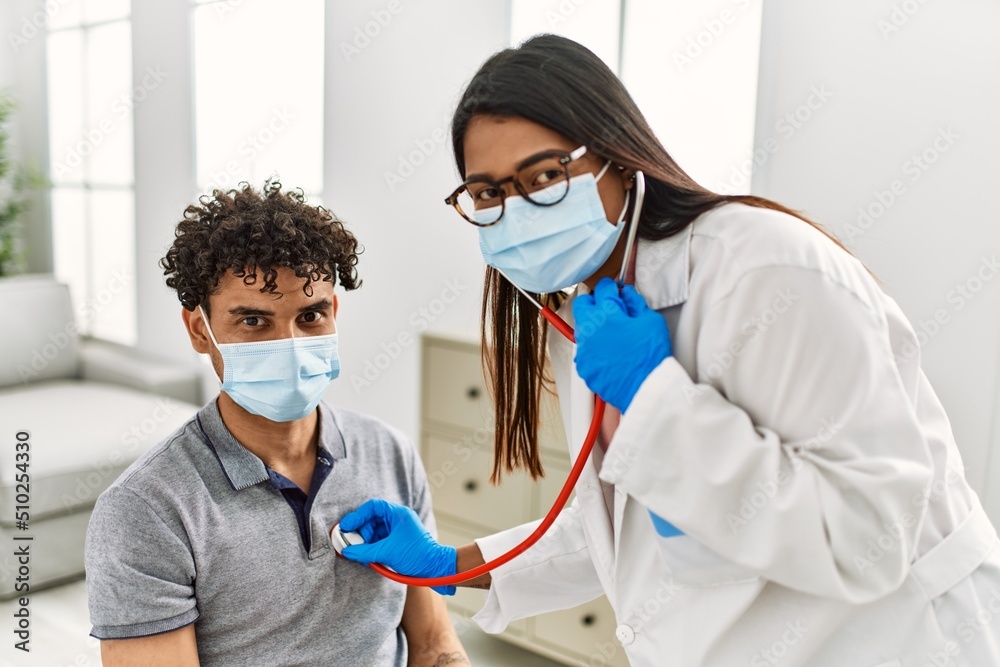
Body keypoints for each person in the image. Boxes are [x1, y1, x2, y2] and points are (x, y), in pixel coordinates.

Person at [337, 35, 1000, 666]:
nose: (515, 211)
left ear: (618, 160)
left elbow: (868, 535)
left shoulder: (767, 272)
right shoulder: (596, 311)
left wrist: (653, 397)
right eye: (487, 192)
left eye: (543, 176)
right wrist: (452, 563)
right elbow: (615, 529)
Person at [84, 182, 469, 667]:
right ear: (200, 330)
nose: (289, 343)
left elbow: (435, 646)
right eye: (253, 322)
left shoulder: (389, 451)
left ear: (334, 313)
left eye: (310, 315)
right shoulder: (146, 511)